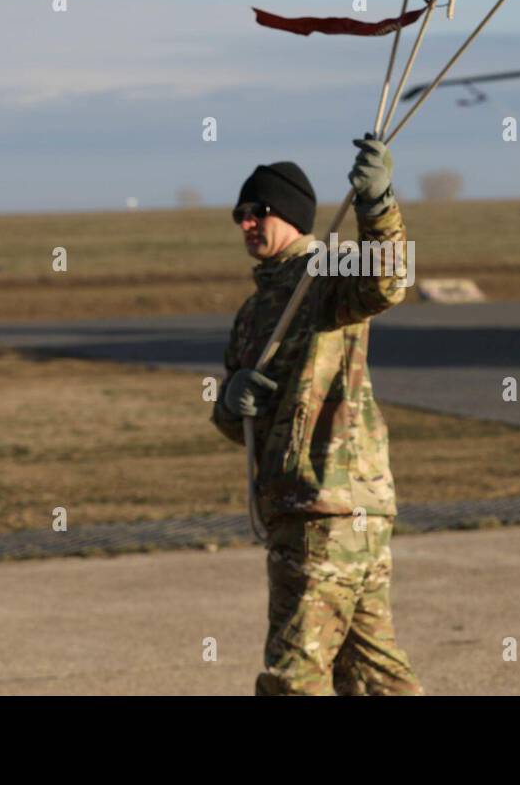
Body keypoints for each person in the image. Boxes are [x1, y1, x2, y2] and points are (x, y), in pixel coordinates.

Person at [210, 138, 423, 696]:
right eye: (240, 215)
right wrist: (231, 402)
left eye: (259, 212)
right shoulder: (254, 311)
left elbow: (389, 281)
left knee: (293, 677)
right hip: (317, 508)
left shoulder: (324, 278)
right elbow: (237, 427)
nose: (246, 224)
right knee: (374, 675)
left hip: (324, 507)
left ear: (292, 215)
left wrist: (377, 204)